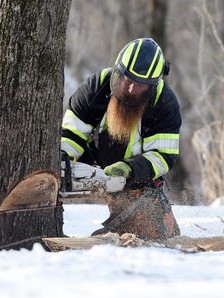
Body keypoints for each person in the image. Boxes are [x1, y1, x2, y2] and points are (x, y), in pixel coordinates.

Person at [61, 38, 181, 241]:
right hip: (89, 165)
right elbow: (71, 133)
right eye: (128, 80)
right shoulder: (96, 87)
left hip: (135, 178)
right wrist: (63, 161)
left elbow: (162, 156)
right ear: (118, 72)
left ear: (153, 85)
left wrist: (129, 169)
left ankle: (118, 231)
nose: (132, 90)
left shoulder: (165, 103)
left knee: (161, 237)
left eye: (141, 86)